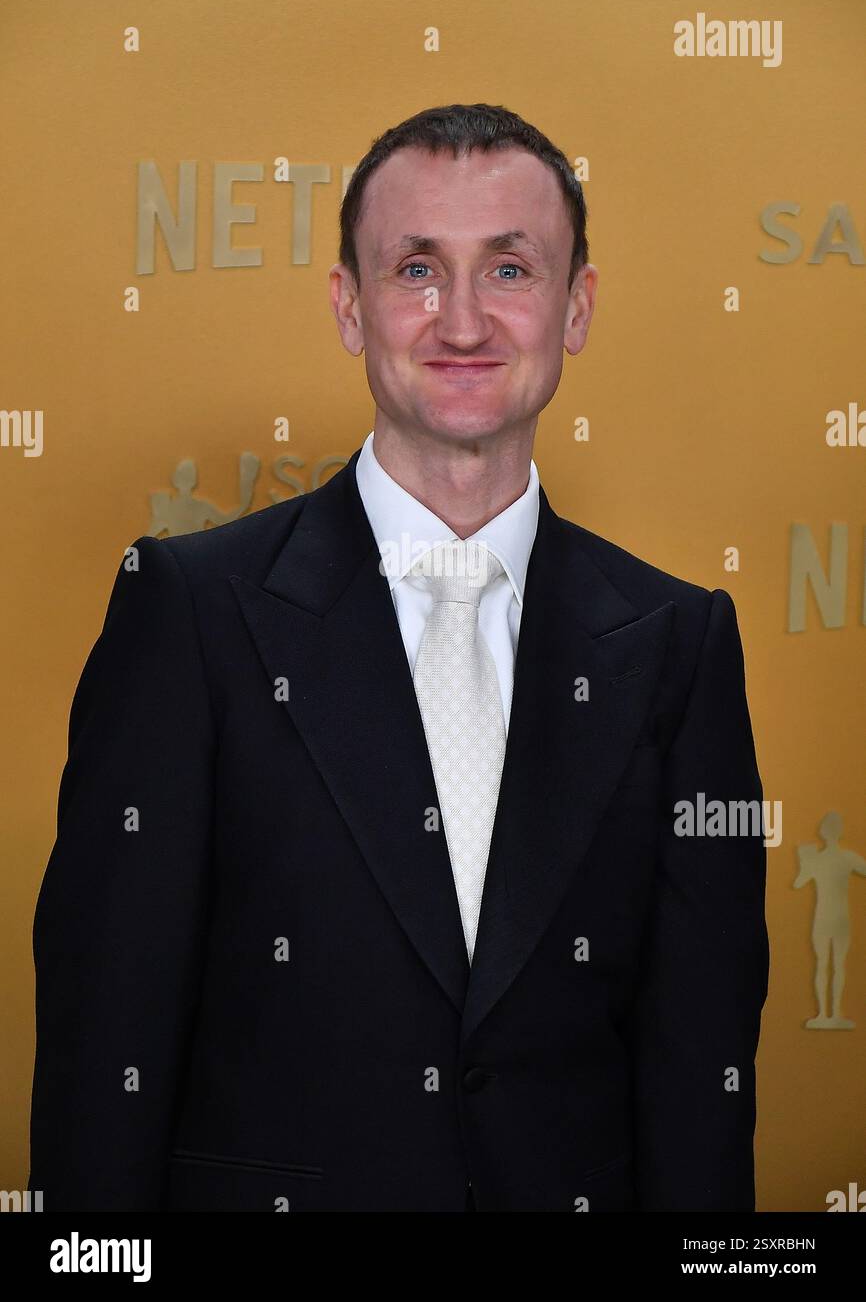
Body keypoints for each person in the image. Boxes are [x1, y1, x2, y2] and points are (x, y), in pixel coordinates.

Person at [29, 102, 769, 1212]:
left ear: (576, 308)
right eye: (416, 267)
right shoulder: (185, 612)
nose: (460, 320)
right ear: (348, 305)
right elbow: (104, 1048)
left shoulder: (677, 643)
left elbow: (699, 1071)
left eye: (509, 269)